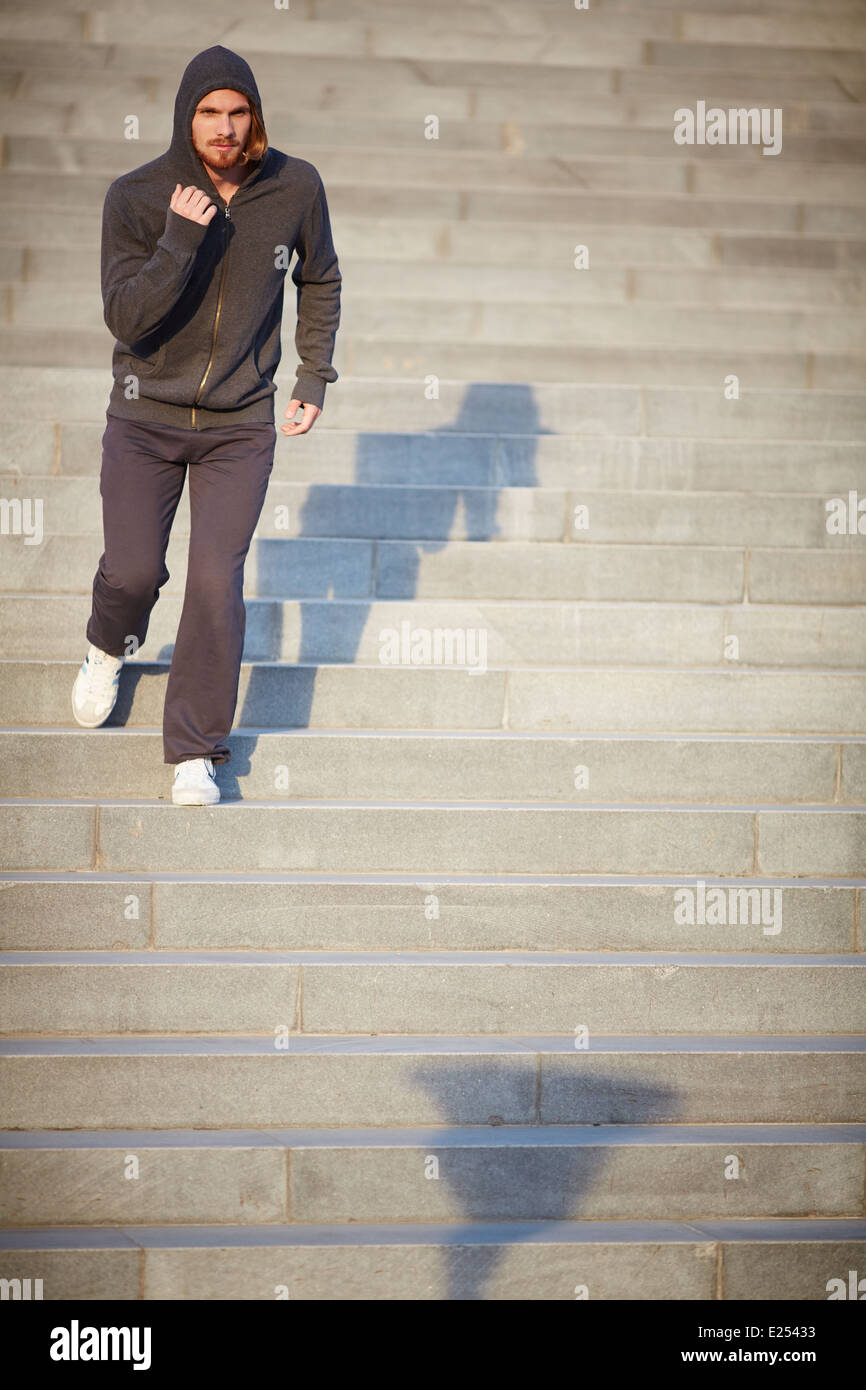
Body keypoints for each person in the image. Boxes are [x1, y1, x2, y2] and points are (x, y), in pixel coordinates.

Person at [72, 45, 341, 805]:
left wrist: (313, 375)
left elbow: (320, 277)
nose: (224, 128)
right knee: (133, 573)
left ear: (254, 115)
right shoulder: (136, 195)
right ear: (185, 117)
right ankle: (105, 646)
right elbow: (125, 314)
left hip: (238, 424)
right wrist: (180, 239)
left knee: (216, 584)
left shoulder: (295, 187)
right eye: (208, 113)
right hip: (144, 416)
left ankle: (197, 750)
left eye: (237, 112)